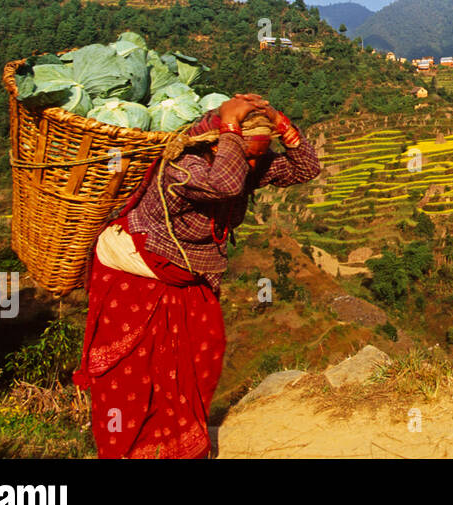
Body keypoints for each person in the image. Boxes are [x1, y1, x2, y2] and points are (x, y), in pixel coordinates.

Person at [72, 93, 321, 458]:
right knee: (133, 375)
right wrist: (232, 127)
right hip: (138, 265)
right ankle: (124, 450)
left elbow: (306, 168)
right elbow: (226, 185)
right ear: (217, 143)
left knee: (194, 362)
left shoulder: (244, 165)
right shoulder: (184, 167)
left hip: (185, 272)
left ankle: (178, 447)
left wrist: (282, 125)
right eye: (247, 151)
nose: (254, 162)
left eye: (257, 154)